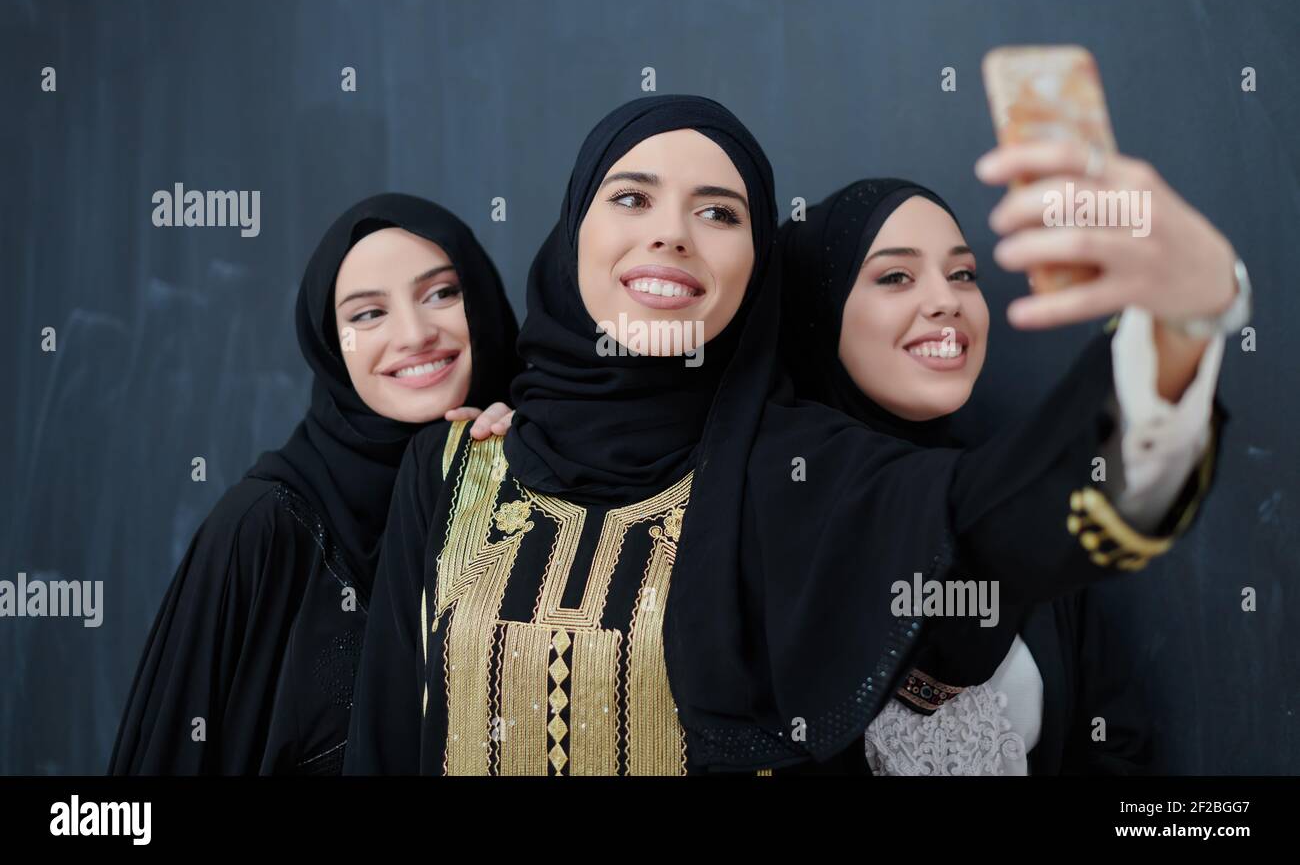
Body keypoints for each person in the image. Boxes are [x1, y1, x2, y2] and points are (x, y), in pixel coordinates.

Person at [345, 96, 1237, 775]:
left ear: (755, 269)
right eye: (630, 196)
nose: (671, 235)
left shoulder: (794, 468)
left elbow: (994, 523)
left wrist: (1180, 330)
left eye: (719, 212)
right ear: (576, 227)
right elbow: (388, 738)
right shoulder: (458, 465)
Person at [780, 178, 1225, 774]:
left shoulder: (1027, 521)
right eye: (895, 277)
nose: (947, 302)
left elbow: (1116, 751)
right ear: (819, 311)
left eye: (963, 274)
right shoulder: (761, 522)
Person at [109, 193, 521, 774]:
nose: (414, 333)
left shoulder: (543, 485)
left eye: (442, 294)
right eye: (367, 314)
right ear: (330, 345)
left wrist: (518, 462)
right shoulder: (262, 529)